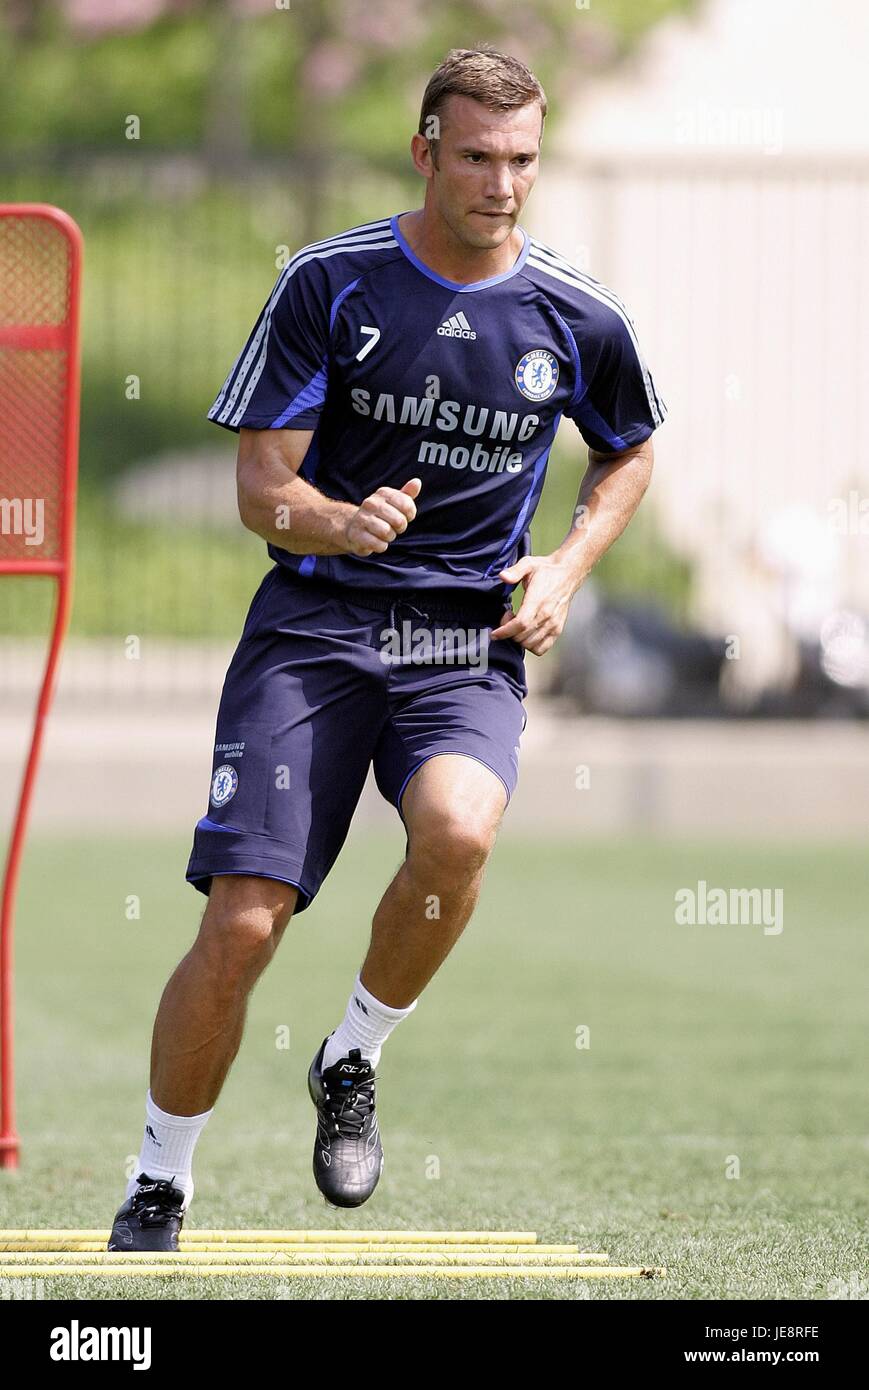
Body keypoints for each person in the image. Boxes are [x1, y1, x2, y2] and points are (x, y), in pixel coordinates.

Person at [108, 44, 666, 1252]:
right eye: (474, 155)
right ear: (424, 152)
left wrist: (565, 566)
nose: (501, 181)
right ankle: (161, 1174)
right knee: (246, 919)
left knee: (460, 831)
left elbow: (627, 449)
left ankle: (350, 1055)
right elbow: (261, 485)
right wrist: (334, 521)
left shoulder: (579, 315)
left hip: (459, 642)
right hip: (312, 632)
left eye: (520, 159)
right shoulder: (332, 281)